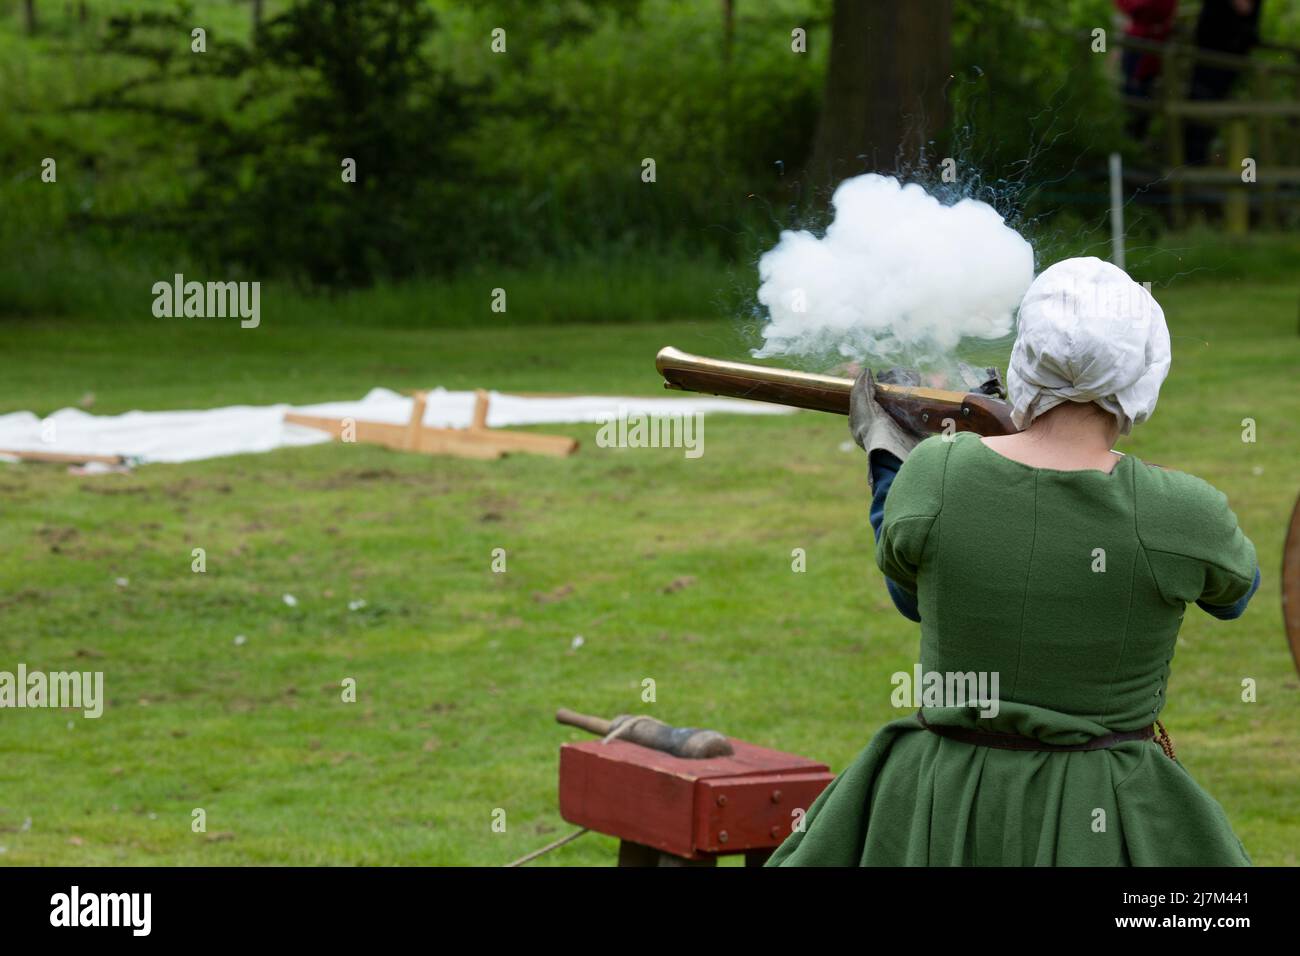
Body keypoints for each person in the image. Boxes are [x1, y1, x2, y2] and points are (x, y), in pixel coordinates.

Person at [766, 257, 1260, 866]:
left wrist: (890, 463)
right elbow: (1236, 595)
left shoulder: (935, 473)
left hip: (937, 798)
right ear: (1141, 373)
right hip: (1103, 807)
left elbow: (912, 596)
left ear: (1028, 359)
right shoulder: (1183, 511)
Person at [1185, 0, 1266, 165]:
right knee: (1200, 109)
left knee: (1205, 109)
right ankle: (1193, 162)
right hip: (1214, 50)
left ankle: (1195, 161)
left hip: (1225, 50)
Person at [1115, 0, 1179, 142]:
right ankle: (1128, 139)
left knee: (1144, 90)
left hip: (1153, 44)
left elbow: (1160, 9)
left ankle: (1136, 139)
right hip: (1136, 41)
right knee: (1130, 89)